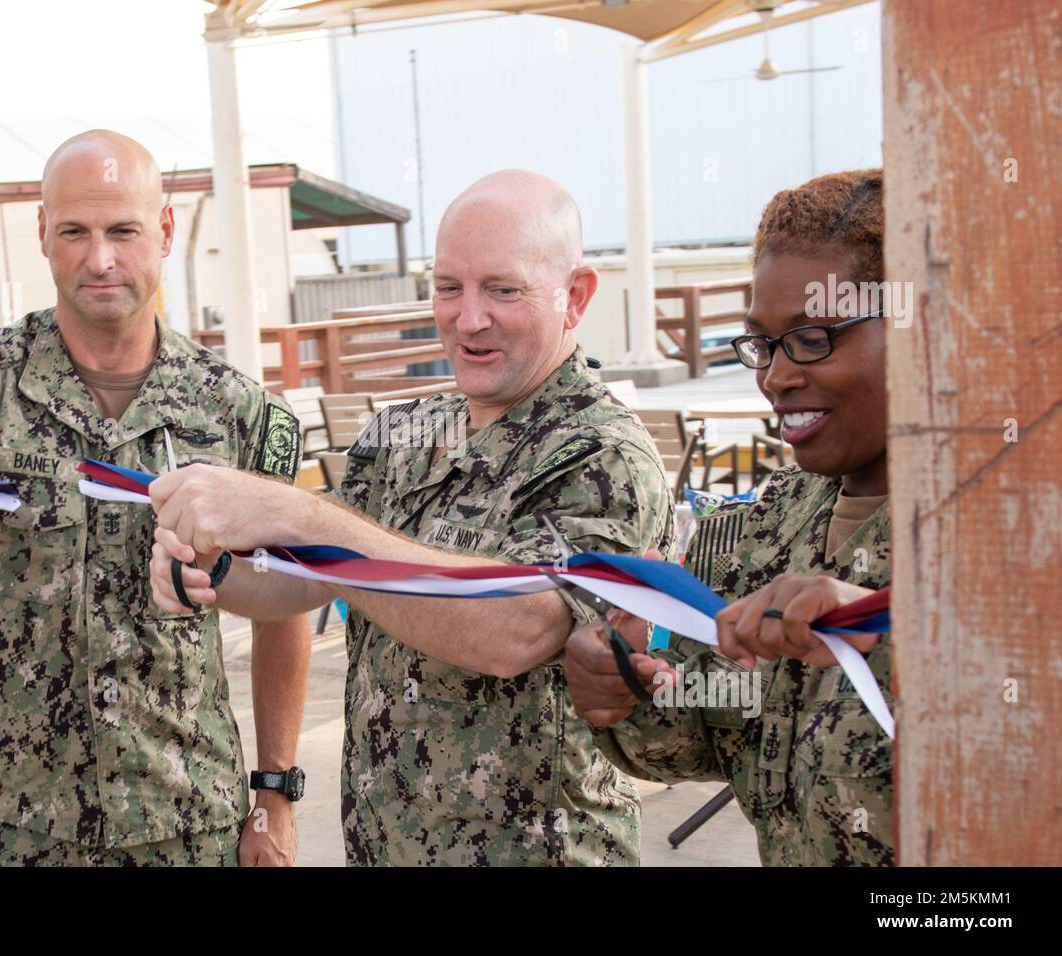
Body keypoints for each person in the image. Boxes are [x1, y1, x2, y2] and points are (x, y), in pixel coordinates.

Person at [0, 130, 311, 867]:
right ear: (43, 233)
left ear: (165, 232)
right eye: (74, 230)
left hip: (182, 814)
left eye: (123, 231)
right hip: (12, 820)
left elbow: (288, 607)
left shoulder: (241, 415)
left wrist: (274, 797)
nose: (99, 258)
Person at [147, 170, 676, 866]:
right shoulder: (405, 434)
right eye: (448, 286)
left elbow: (514, 629)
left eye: (503, 289)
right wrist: (212, 566)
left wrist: (299, 513)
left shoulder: (604, 456)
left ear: (574, 297)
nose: (469, 317)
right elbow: (302, 583)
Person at [564, 168, 894, 865]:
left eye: (812, 339)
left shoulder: (1005, 540)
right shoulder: (763, 528)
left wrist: (893, 634)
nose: (775, 376)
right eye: (763, 345)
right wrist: (624, 692)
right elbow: (715, 738)